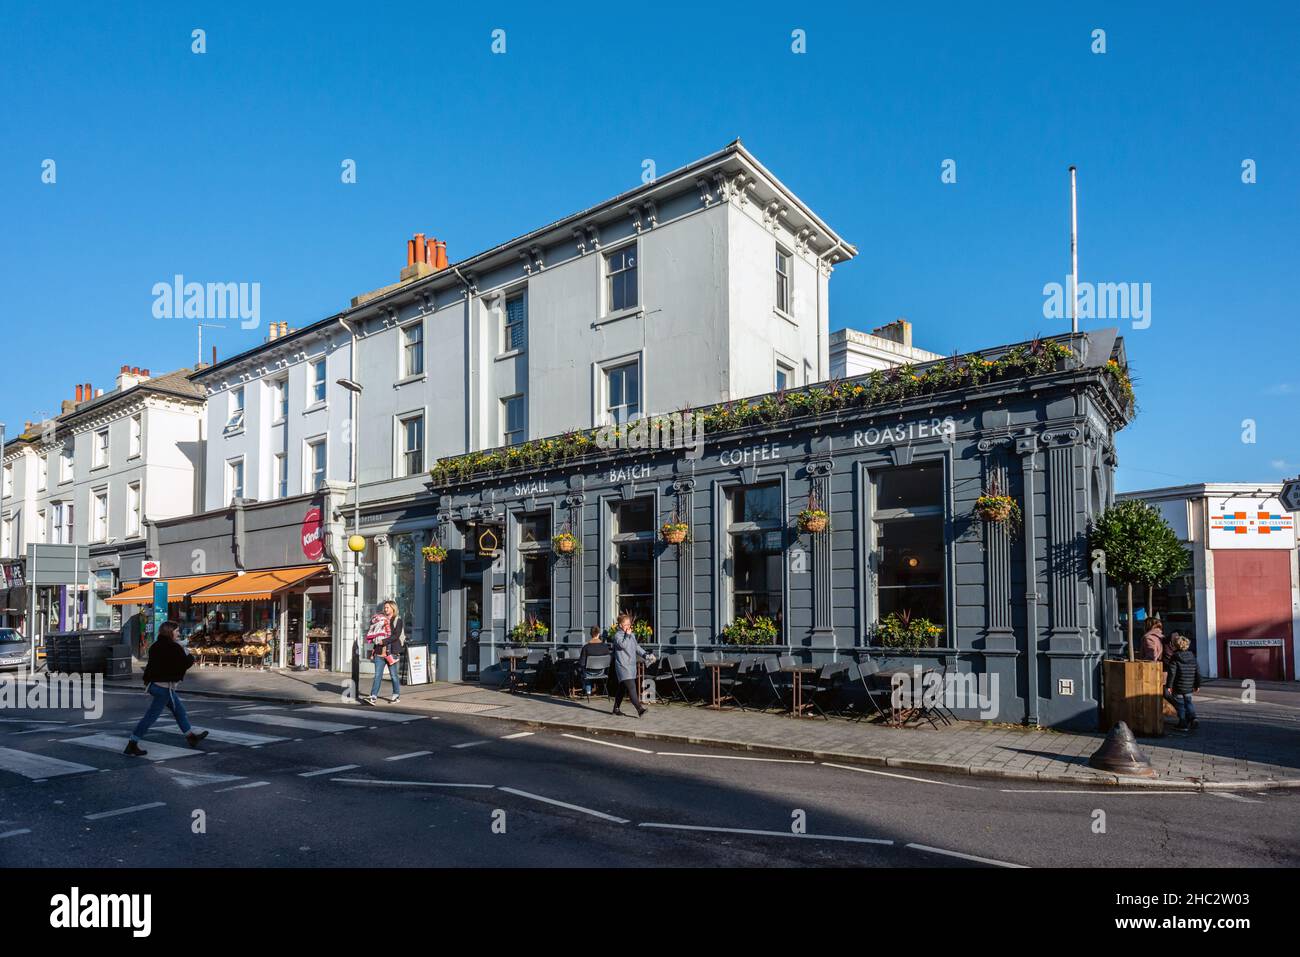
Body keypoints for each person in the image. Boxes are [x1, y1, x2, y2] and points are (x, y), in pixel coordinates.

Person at [123, 620, 209, 757]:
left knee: (179, 710)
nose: (179, 634)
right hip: (164, 688)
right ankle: (132, 744)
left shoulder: (155, 646)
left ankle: (191, 736)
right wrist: (185, 649)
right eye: (177, 631)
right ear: (170, 632)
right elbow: (188, 662)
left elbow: (154, 665)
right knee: (150, 717)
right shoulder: (174, 647)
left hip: (155, 685)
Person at [610, 614, 653, 717]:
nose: (628, 626)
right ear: (620, 625)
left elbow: (636, 647)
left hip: (631, 665)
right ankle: (640, 709)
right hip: (623, 666)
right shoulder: (617, 636)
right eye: (625, 625)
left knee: (622, 688)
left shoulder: (631, 634)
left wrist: (646, 655)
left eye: (629, 624)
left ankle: (616, 708)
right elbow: (623, 645)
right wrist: (628, 635)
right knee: (632, 687)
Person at [364, 602, 402, 705]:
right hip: (379, 652)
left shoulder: (397, 620)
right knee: (377, 675)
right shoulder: (380, 620)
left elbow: (396, 636)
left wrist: (383, 641)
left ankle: (396, 695)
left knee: (393, 675)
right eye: (384, 607)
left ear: (393, 608)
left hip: (392, 652)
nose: (385, 609)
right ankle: (373, 696)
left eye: (387, 607)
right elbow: (376, 634)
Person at [1164, 634, 1201, 732]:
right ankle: (1193, 718)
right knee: (1188, 702)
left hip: (1179, 686)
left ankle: (1183, 723)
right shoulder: (1193, 657)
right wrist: (1197, 685)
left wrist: (1169, 686)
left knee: (1180, 704)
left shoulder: (1175, 657)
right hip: (1189, 686)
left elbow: (1172, 673)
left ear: (1176, 645)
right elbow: (1197, 672)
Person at [577, 625, 609, 697]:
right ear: (598, 634)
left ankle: (587, 690)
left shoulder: (586, 647)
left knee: (582, 669)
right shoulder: (605, 647)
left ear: (591, 634)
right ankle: (597, 689)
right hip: (602, 672)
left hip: (589, 673)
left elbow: (582, 663)